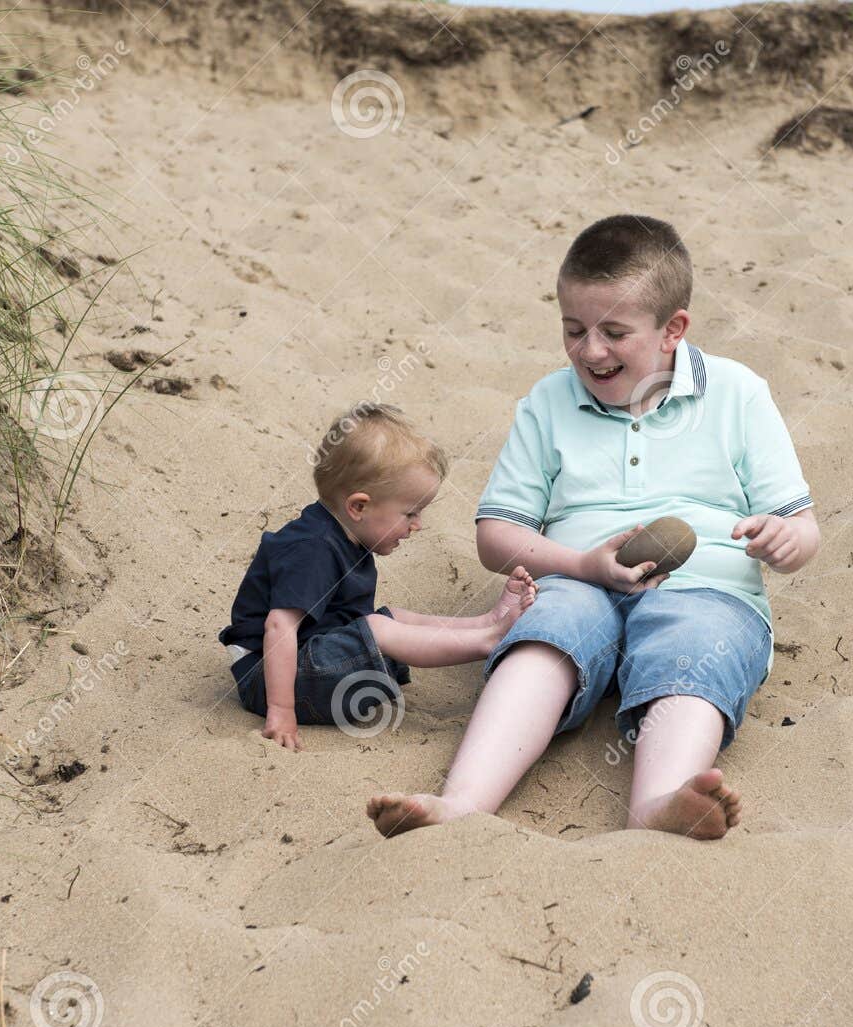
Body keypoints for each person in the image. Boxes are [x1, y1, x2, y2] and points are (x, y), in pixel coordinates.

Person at [368, 215, 819, 838]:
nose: (590, 351)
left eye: (614, 332)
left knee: (695, 645)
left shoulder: (738, 394)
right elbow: (495, 536)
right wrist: (582, 566)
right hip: (577, 582)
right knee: (546, 632)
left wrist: (785, 541)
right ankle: (464, 800)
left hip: (706, 591)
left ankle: (661, 802)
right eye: (573, 330)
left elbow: (802, 528)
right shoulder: (549, 402)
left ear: (673, 330)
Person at [221, 402, 535, 751]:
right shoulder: (313, 548)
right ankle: (488, 642)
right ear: (359, 507)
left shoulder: (344, 534)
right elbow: (279, 627)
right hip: (266, 680)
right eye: (410, 513)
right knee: (378, 628)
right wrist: (280, 710)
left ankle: (487, 623)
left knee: (391, 618)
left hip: (306, 658)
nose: (418, 525)